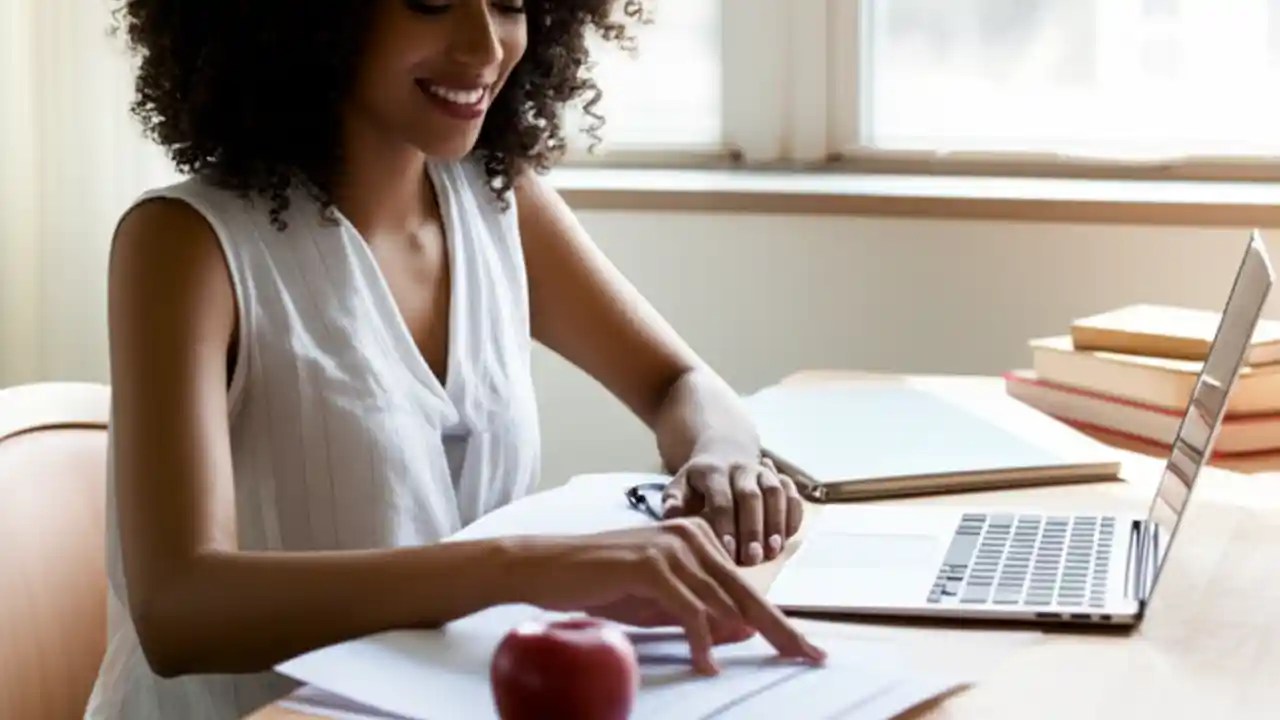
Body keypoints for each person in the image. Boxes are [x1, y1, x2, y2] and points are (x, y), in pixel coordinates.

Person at [86, 1, 825, 717]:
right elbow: (179, 611)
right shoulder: (184, 246)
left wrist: (722, 455)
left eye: (509, 2)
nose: (485, 44)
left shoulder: (498, 201)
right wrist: (529, 569)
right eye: (431, 1)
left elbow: (681, 383)